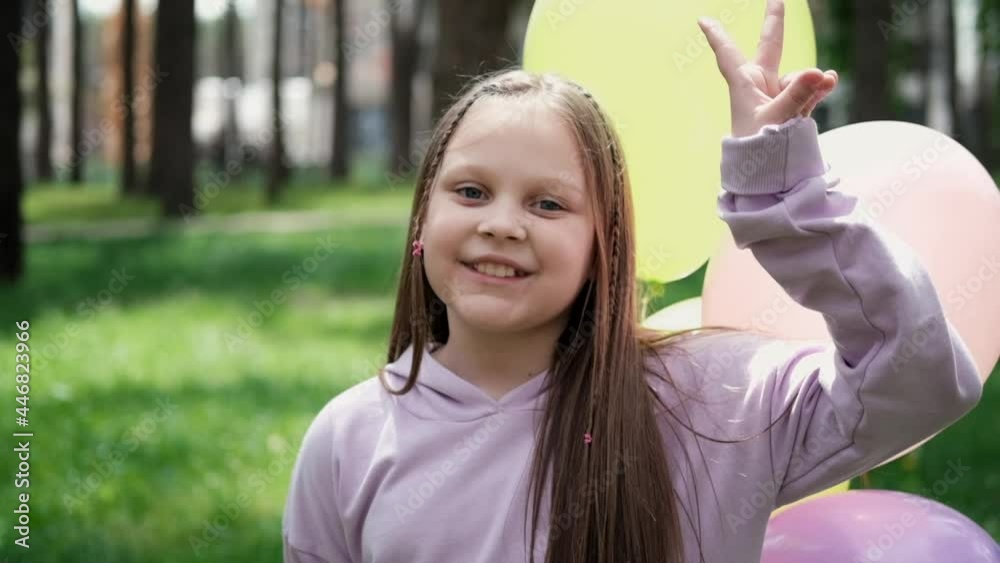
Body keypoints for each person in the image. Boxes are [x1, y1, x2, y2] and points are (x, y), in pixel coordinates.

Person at [281, 1, 983, 561]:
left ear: (604, 246)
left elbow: (921, 380)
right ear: (420, 222)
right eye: (470, 191)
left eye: (548, 203)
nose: (501, 223)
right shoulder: (347, 440)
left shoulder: (715, 401)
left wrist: (786, 206)